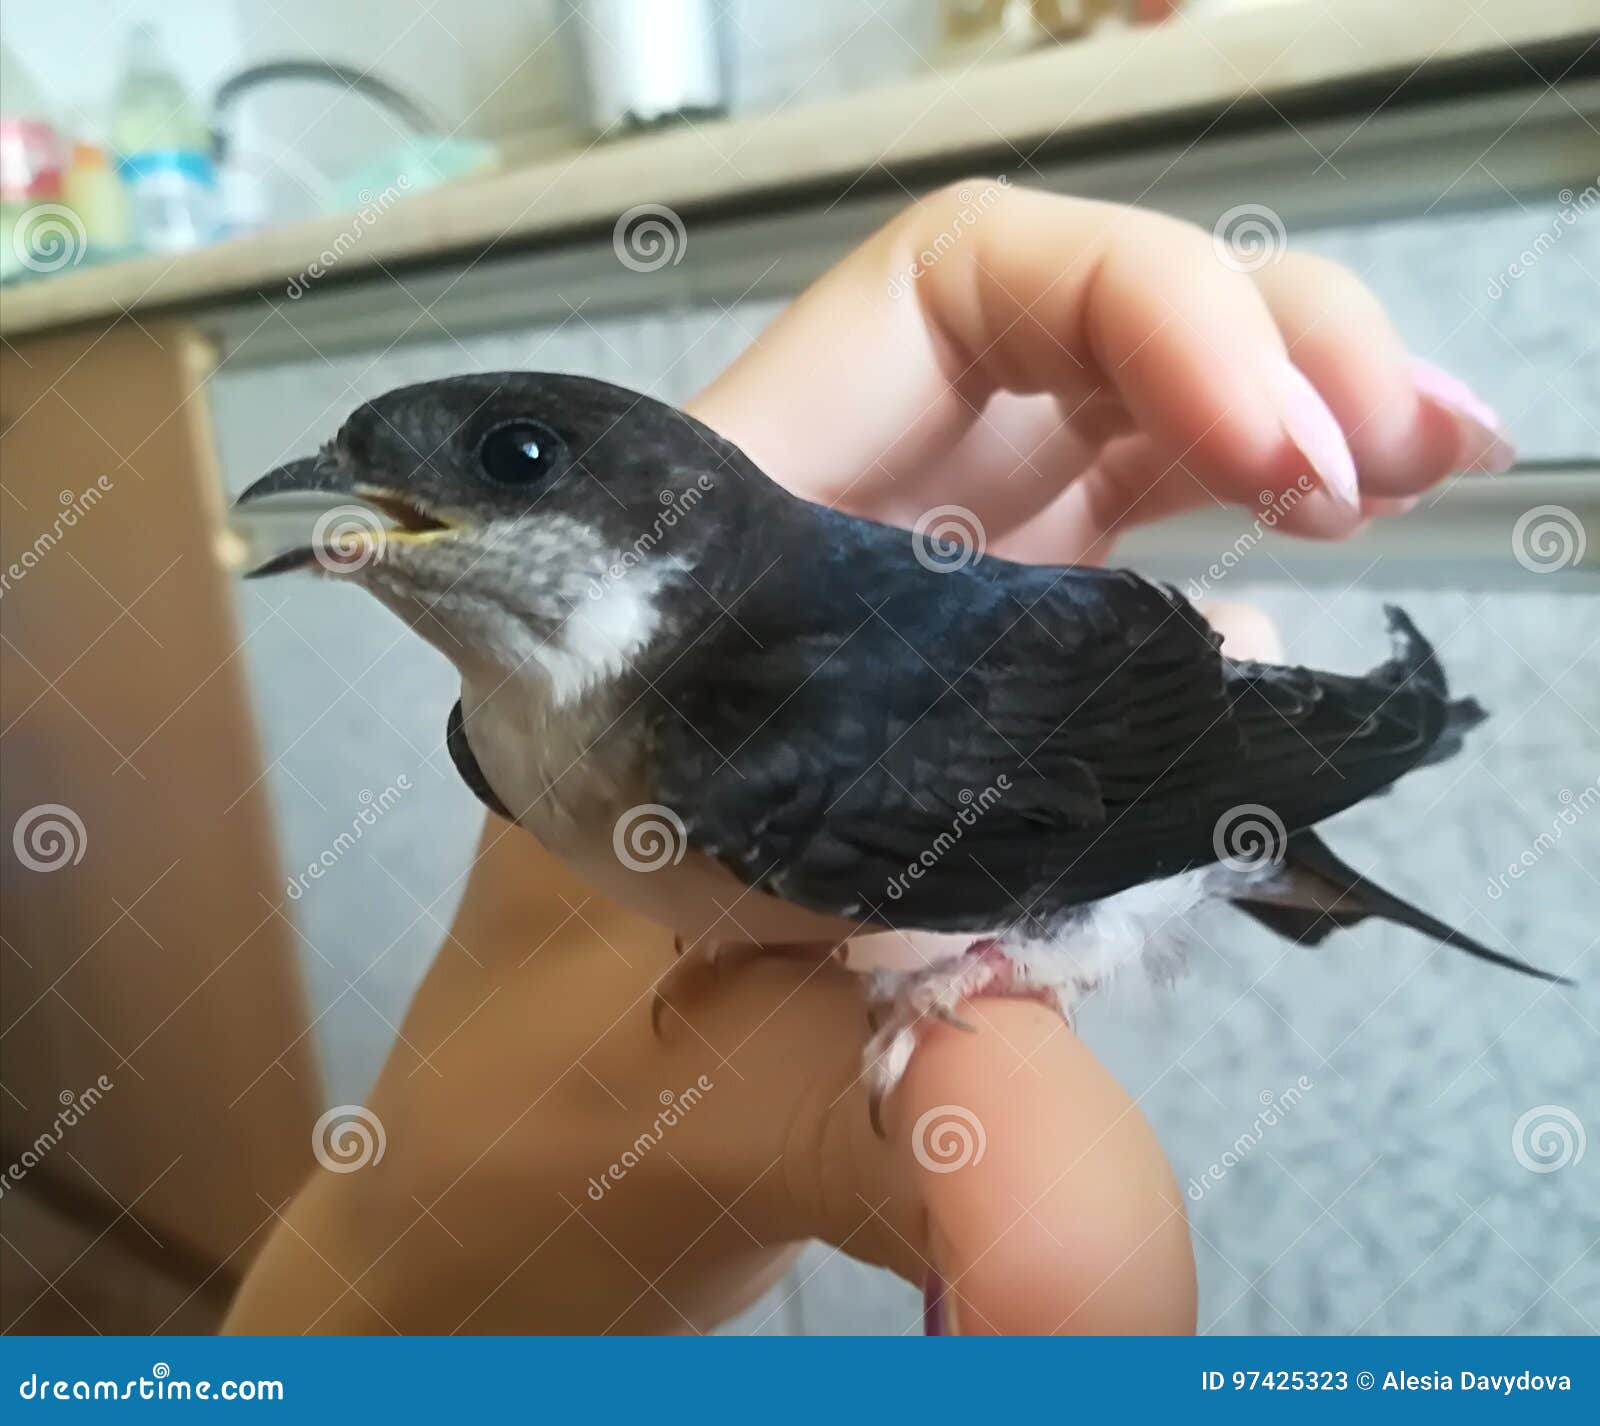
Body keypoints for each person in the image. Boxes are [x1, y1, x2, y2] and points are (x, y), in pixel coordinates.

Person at [223, 181, 1512, 1336]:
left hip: (1155, 772)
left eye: (512, 463)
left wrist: (1016, 944)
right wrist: (398, 1246)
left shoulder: (758, 734)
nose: (365, 513)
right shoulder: (499, 739)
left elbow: (1122, 761)